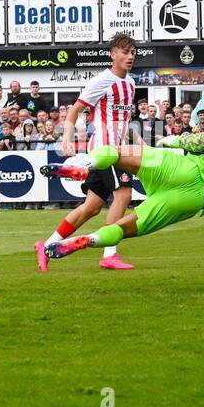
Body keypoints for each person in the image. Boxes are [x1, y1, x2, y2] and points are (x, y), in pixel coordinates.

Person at [39, 123, 204, 260]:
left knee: (118, 153)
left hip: (184, 167)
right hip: (192, 200)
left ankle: (85, 165)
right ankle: (89, 241)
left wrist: (176, 140)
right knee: (124, 228)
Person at [36, 32, 138, 272]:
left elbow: (124, 122)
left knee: (92, 206)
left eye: (133, 52)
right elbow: (75, 110)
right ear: (113, 55)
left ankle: (48, 244)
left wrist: (141, 142)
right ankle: (109, 254)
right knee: (123, 195)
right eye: (124, 52)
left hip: (117, 147)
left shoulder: (131, 83)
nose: (130, 56)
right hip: (106, 148)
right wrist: (67, 139)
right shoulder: (102, 80)